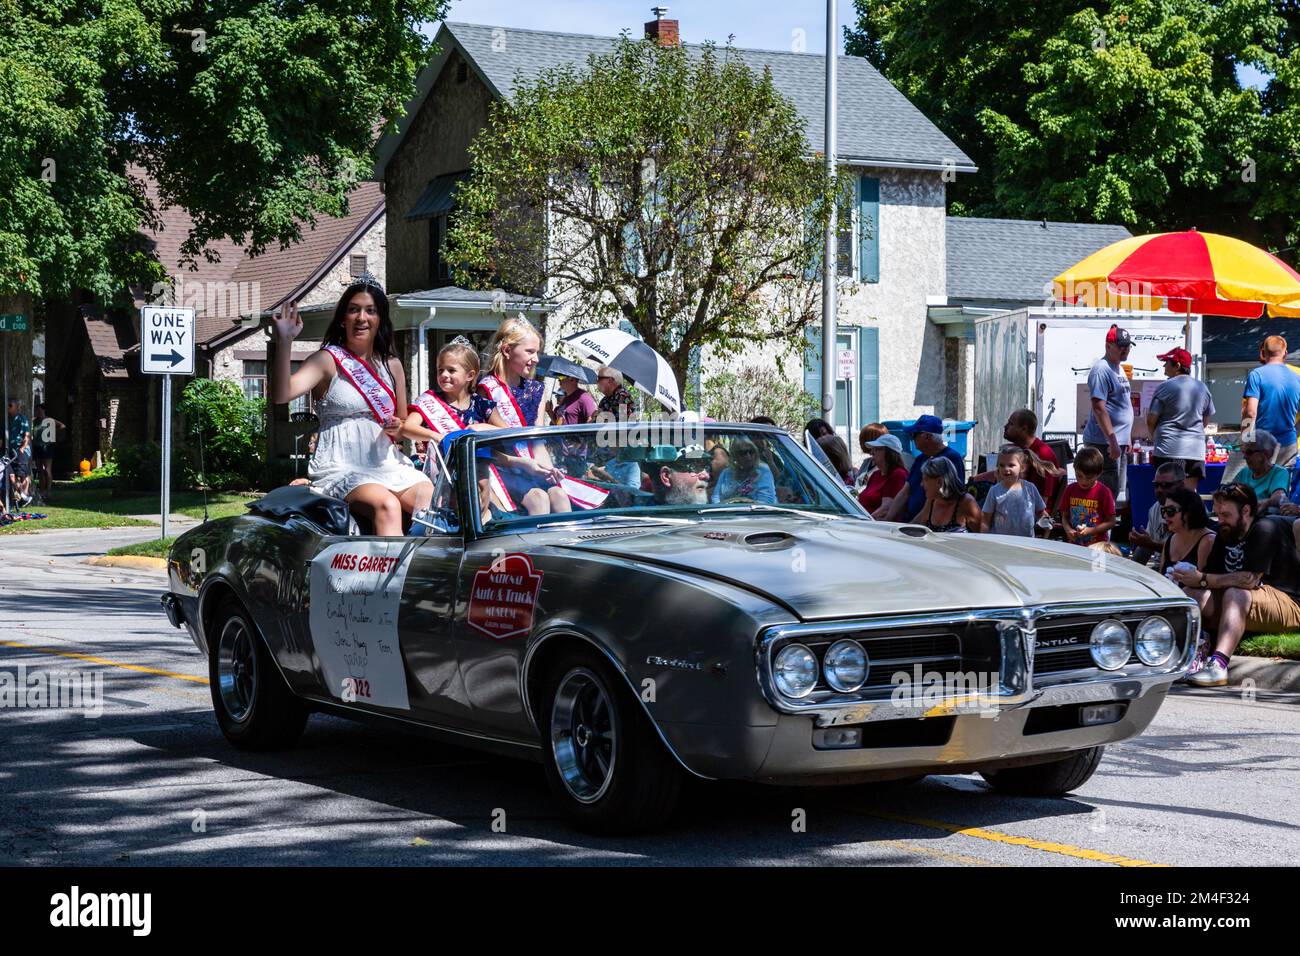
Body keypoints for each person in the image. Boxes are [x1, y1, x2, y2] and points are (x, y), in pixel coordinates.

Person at [271, 276, 433, 536]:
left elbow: (401, 424)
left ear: (380, 319)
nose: (361, 317)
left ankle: (422, 569)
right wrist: (285, 341)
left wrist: (396, 427)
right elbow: (281, 394)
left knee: (430, 496)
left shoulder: (392, 365)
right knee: (387, 505)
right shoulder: (326, 360)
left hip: (384, 461)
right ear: (343, 318)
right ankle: (392, 575)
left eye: (370, 311)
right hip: (343, 464)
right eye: (354, 309)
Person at [1173, 483, 1300, 687]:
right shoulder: (1225, 533)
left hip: (1288, 603)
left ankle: (1219, 666)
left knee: (1236, 592)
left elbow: (1249, 580)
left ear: (1246, 510)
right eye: (1217, 514)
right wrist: (1192, 579)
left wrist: (1202, 578)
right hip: (1247, 601)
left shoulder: (1265, 528)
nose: (1220, 520)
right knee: (1190, 595)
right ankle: (1188, 656)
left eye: (1225, 514)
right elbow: (1210, 578)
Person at [478, 315, 571, 516]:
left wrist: (548, 470)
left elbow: (537, 443)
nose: (536, 359)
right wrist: (526, 466)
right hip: (502, 467)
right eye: (530, 351)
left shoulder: (536, 390)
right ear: (507, 350)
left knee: (558, 494)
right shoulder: (486, 389)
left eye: (537, 352)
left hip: (531, 466)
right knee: (539, 498)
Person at [1080, 325, 1133, 500]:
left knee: (1115, 491)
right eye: (1121, 346)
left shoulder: (1117, 368)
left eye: (1127, 346)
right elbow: (1098, 407)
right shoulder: (1102, 369)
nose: (1125, 350)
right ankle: (1100, 527)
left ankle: (1106, 526)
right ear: (1108, 346)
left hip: (1117, 440)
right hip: (1104, 443)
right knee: (1106, 492)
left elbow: (1122, 404)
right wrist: (1112, 440)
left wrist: (1127, 438)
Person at [885, 415, 966, 522]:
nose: (911, 438)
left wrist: (913, 527)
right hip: (911, 522)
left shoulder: (951, 458)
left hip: (933, 526)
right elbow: (905, 492)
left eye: (914, 434)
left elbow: (945, 498)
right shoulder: (920, 459)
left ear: (927, 436)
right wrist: (887, 520)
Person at [973, 409, 1061, 507]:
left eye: (1010, 424)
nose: (1005, 426)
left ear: (1024, 429)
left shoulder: (1043, 454)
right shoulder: (1019, 449)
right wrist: (977, 479)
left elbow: (1042, 501)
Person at [1146, 347, 1214, 471]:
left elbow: (1151, 420)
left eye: (1166, 363)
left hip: (1168, 450)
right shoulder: (1203, 388)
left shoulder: (1164, 387)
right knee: (1190, 489)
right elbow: (1205, 421)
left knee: (1168, 488)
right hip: (1195, 451)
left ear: (1177, 366)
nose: (1164, 366)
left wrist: (1153, 436)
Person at [1242, 334, 1300, 467]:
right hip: (1288, 444)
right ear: (1285, 353)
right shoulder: (1297, 378)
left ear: (1263, 352)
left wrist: (1246, 439)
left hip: (1262, 445)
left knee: (1260, 484)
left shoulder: (1256, 375)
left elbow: (1250, 412)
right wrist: (1293, 432)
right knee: (1283, 484)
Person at [980, 444, 1049, 537]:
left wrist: (1047, 523)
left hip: (1026, 542)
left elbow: (1041, 512)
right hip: (1001, 543)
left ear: (1022, 467)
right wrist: (984, 540)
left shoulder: (1030, 489)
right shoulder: (994, 491)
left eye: (1011, 465)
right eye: (1002, 465)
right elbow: (985, 519)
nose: (1006, 469)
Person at [1129, 461, 1185, 566]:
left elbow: (1183, 552)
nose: (1159, 490)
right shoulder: (1155, 508)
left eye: (1165, 485)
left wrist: (1150, 544)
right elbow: (1146, 548)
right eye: (1156, 485)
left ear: (1181, 485)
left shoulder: (1192, 510)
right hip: (1160, 569)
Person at [1058, 445, 1116, 545]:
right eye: (1079, 476)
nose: (1083, 481)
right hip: (1075, 544)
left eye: (1089, 477)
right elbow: (1064, 517)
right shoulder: (1070, 490)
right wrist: (1068, 529)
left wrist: (1091, 530)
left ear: (1099, 474)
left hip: (1097, 546)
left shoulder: (1104, 492)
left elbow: (1111, 522)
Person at [1156, 486, 1215, 577]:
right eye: (1163, 511)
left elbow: (1205, 584)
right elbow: (1162, 579)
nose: (1165, 516)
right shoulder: (1170, 540)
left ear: (1188, 512)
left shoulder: (1208, 541)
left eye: (1170, 511)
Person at [1229, 429, 1289, 515]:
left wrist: (1266, 503)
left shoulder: (1279, 473)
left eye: (1249, 452)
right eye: (1243, 452)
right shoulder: (1245, 472)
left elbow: (1279, 495)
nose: (1244, 457)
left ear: (1266, 453)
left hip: (1262, 517)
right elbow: (1230, 489)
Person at [914, 456, 981, 533]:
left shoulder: (966, 503)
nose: (921, 484)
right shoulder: (931, 501)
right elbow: (922, 533)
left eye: (925, 479)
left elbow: (983, 536)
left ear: (939, 482)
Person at [857, 433, 908, 518]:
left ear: (888, 453)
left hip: (877, 526)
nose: (872, 452)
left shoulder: (898, 475)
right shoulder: (875, 475)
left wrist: (865, 521)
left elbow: (886, 508)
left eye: (876, 449)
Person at [711, 437, 777, 503]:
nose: (748, 456)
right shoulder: (726, 473)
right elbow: (715, 498)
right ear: (735, 456)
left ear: (756, 453)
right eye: (743, 453)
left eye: (751, 452)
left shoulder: (763, 470)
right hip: (725, 512)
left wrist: (739, 501)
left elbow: (767, 502)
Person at [644, 445, 711, 505]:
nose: (706, 476)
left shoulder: (714, 513)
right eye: (694, 467)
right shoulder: (641, 517)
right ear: (666, 476)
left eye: (706, 466)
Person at [29, 403, 64, 501]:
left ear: (44, 410)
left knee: (47, 470)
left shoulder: (50, 420)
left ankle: (49, 490)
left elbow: (62, 426)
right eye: (37, 410)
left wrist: (53, 435)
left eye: (40, 410)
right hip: (37, 447)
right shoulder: (35, 421)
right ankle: (42, 490)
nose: (38, 412)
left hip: (47, 447)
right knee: (39, 470)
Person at [6, 396, 32, 507]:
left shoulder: (22, 418)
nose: (8, 407)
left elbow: (27, 435)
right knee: (12, 475)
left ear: (17, 407)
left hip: (20, 451)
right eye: (8, 405)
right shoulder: (8, 419)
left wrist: (22, 449)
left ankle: (24, 496)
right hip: (11, 451)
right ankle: (21, 497)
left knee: (22, 475)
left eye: (10, 405)